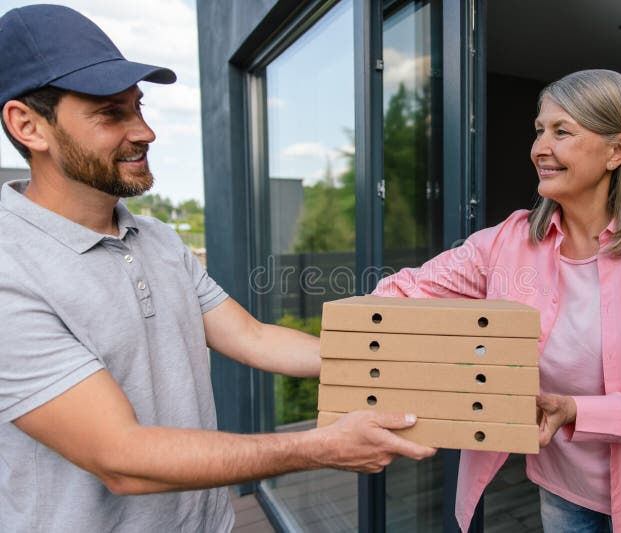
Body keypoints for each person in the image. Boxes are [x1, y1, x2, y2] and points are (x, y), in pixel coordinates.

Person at [0, 5, 434, 533]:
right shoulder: (11, 271)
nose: (145, 132)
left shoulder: (157, 238)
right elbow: (121, 457)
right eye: (111, 114)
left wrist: (392, 363)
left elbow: (252, 337)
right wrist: (320, 447)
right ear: (28, 125)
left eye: (139, 107)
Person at [373, 69, 621, 532]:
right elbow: (397, 295)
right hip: (563, 491)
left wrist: (576, 410)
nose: (540, 147)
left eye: (562, 131)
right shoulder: (507, 243)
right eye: (539, 130)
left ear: (618, 150)